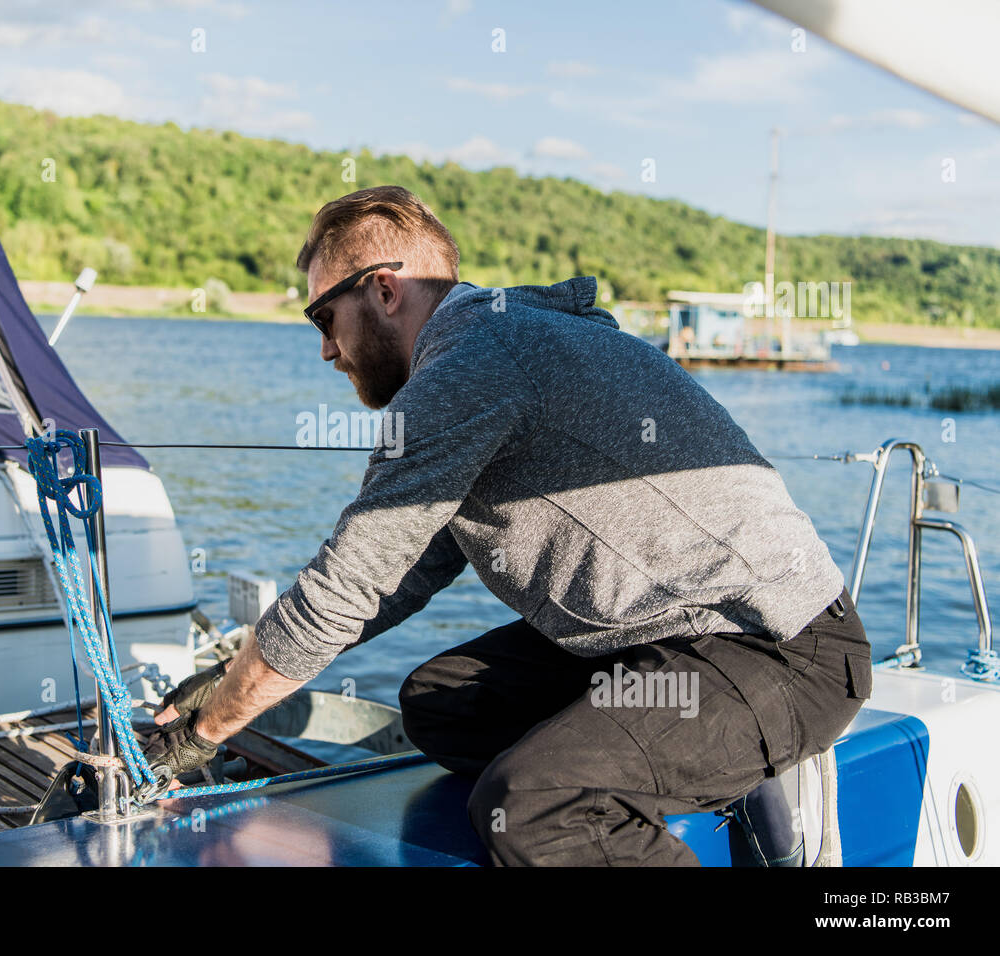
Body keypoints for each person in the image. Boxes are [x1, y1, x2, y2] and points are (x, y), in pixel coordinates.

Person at [142, 184, 872, 866]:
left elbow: (347, 584)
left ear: (384, 291)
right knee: (440, 705)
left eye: (322, 319)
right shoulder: (499, 341)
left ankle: (681, 775)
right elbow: (396, 575)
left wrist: (201, 734)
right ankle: (668, 765)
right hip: (662, 633)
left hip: (780, 647)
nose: (326, 350)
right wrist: (237, 673)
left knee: (533, 805)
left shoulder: (470, 368)